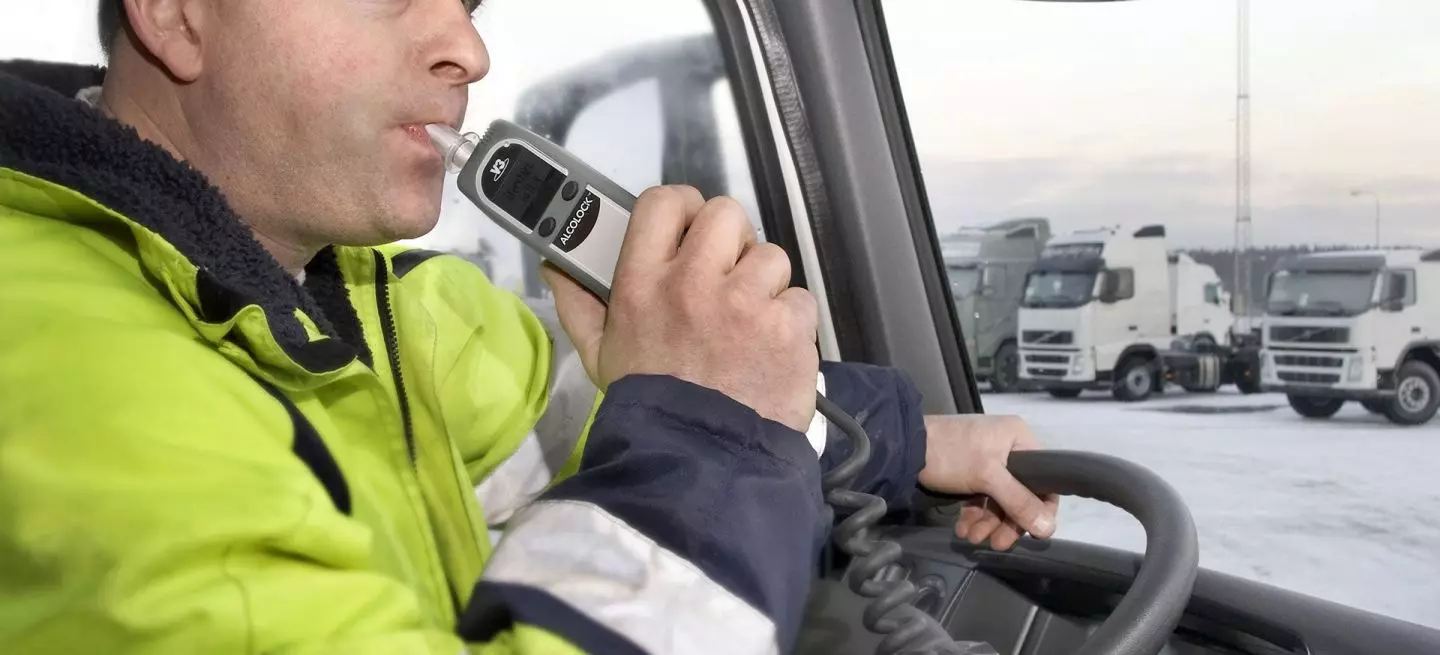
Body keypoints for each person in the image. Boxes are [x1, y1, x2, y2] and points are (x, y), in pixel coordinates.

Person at [0, 0, 1060, 653]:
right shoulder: (63, 382)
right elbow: (683, 437)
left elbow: (585, 418)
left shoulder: (387, 302)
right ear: (177, 12)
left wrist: (909, 441)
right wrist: (707, 434)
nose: (467, 47)